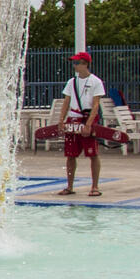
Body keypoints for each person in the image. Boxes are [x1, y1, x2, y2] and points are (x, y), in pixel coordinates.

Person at [55, 51, 108, 197]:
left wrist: (89, 124)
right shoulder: (71, 82)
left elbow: (95, 105)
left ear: (85, 64)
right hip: (73, 118)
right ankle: (70, 186)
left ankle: (95, 186)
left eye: (77, 63)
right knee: (70, 155)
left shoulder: (96, 82)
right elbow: (66, 102)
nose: (75, 66)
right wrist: (61, 120)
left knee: (92, 153)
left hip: (87, 117)